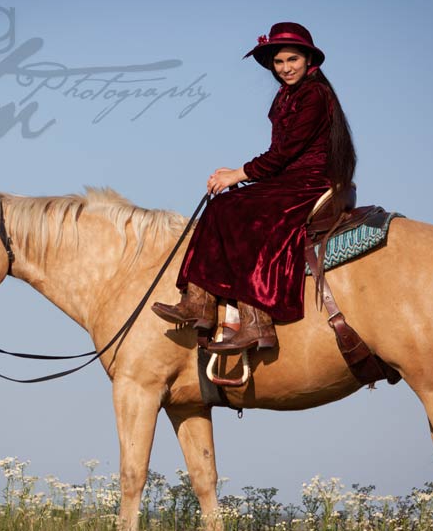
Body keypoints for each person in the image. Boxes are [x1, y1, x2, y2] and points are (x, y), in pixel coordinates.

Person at [151, 22, 357, 354]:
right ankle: (199, 302)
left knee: (237, 210)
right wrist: (237, 174)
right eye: (279, 62)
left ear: (308, 60)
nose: (286, 68)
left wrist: (238, 174)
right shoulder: (288, 94)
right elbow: (281, 155)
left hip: (308, 181)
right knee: (220, 206)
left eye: (293, 60)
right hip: (287, 178)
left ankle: (256, 321)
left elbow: (285, 153)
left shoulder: (315, 94)